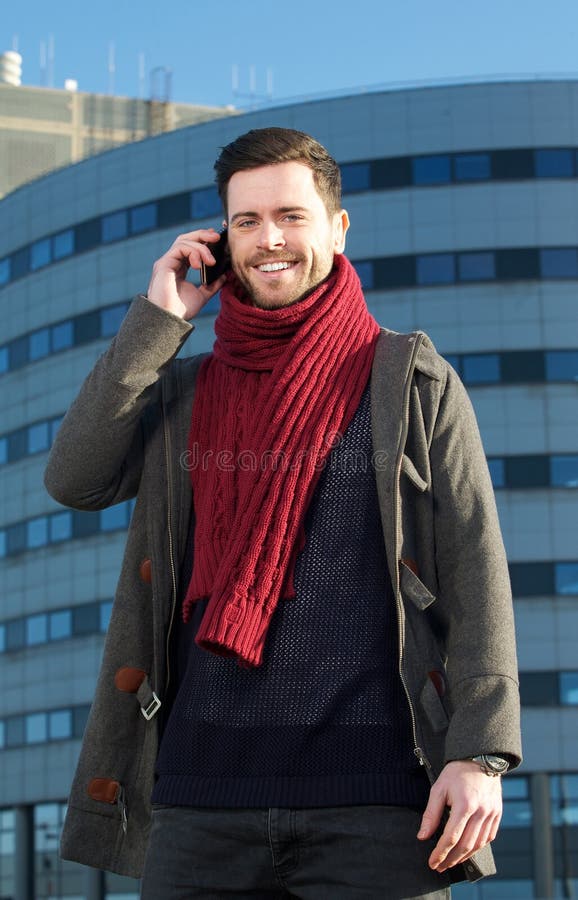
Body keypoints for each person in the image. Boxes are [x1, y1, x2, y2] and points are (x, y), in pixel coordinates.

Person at [45, 127, 522, 899]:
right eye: (246, 221)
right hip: (197, 805)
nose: (270, 239)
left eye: (292, 217)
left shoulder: (411, 378)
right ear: (221, 240)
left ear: (336, 228)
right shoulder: (184, 389)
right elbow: (75, 479)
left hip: (376, 803)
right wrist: (157, 322)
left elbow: (474, 572)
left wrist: (480, 753)